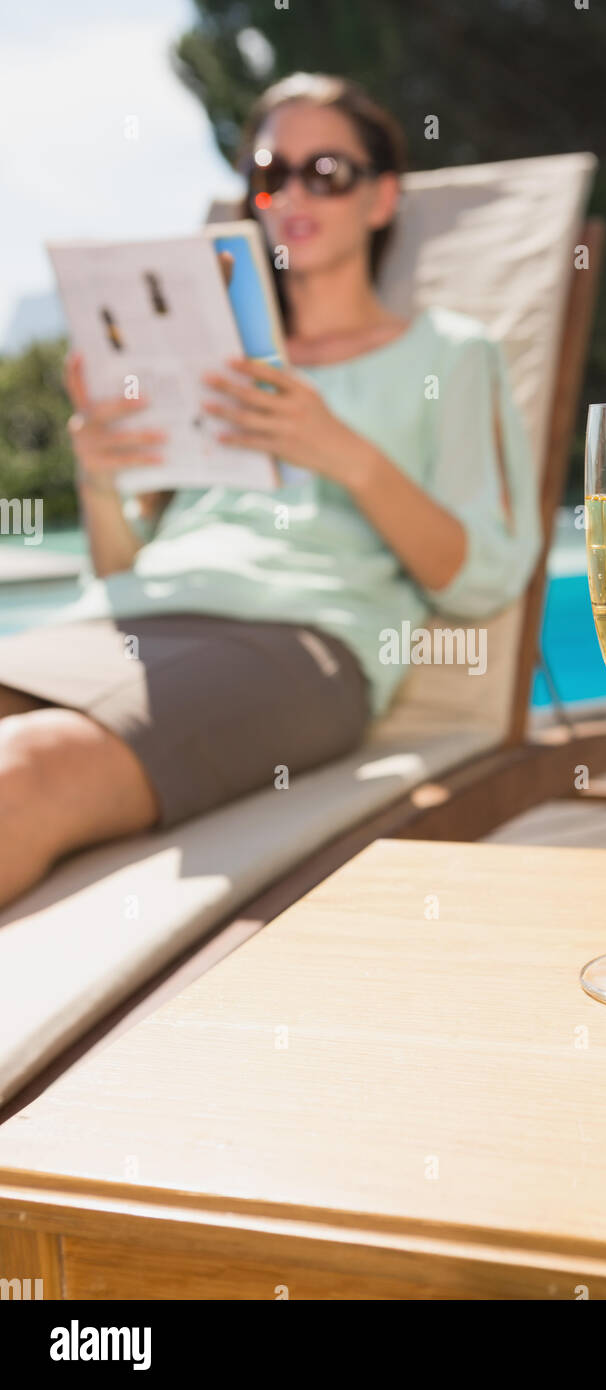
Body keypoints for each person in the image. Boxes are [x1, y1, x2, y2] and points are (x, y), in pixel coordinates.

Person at [0, 72, 541, 906]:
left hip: (295, 641)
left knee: (23, 773)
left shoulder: (450, 355)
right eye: (269, 173)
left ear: (382, 197)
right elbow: (116, 570)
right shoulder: (214, 361)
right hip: (126, 619)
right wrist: (100, 475)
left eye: (324, 173)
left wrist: (344, 453)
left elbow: (483, 580)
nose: (291, 193)